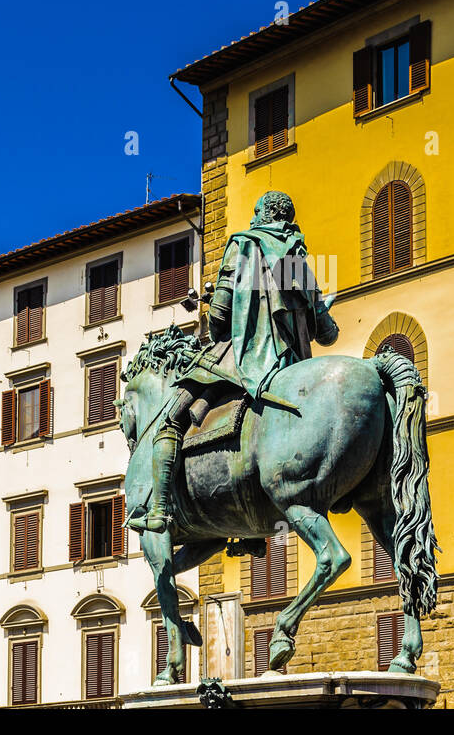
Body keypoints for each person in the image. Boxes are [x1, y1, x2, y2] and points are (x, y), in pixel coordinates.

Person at [128, 191, 339, 532]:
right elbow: (327, 333)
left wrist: (217, 322)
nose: (253, 217)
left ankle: (160, 510)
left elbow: (221, 315)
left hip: (242, 358)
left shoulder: (244, 244)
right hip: (293, 364)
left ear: (263, 214)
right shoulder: (295, 255)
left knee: (170, 421)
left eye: (256, 212)